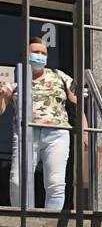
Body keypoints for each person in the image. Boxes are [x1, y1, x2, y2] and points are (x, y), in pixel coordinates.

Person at [0, 37, 87, 212]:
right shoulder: (15, 77)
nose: (40, 56)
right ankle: (22, 219)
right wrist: (3, 96)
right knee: (18, 181)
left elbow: (78, 104)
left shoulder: (60, 76)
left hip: (57, 134)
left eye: (43, 53)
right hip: (26, 134)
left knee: (55, 183)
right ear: (25, 55)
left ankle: (50, 224)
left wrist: (85, 131)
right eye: (35, 52)